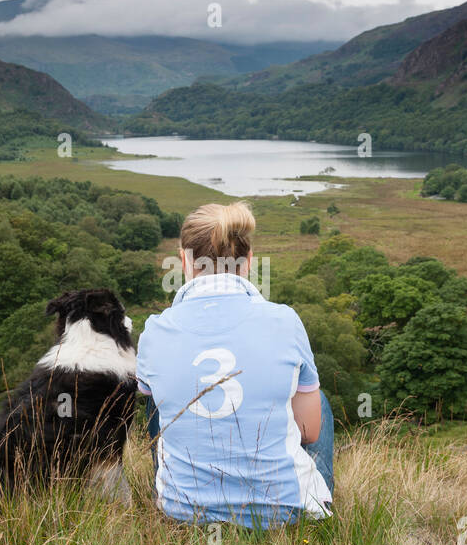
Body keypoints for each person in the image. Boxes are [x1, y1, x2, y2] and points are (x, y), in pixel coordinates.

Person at [135, 201, 334, 528]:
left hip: (184, 514)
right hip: (285, 515)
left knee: (155, 399)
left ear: (184, 260)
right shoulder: (285, 321)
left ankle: (180, 491)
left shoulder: (156, 330)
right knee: (317, 399)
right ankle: (299, 496)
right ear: (249, 261)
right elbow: (310, 432)